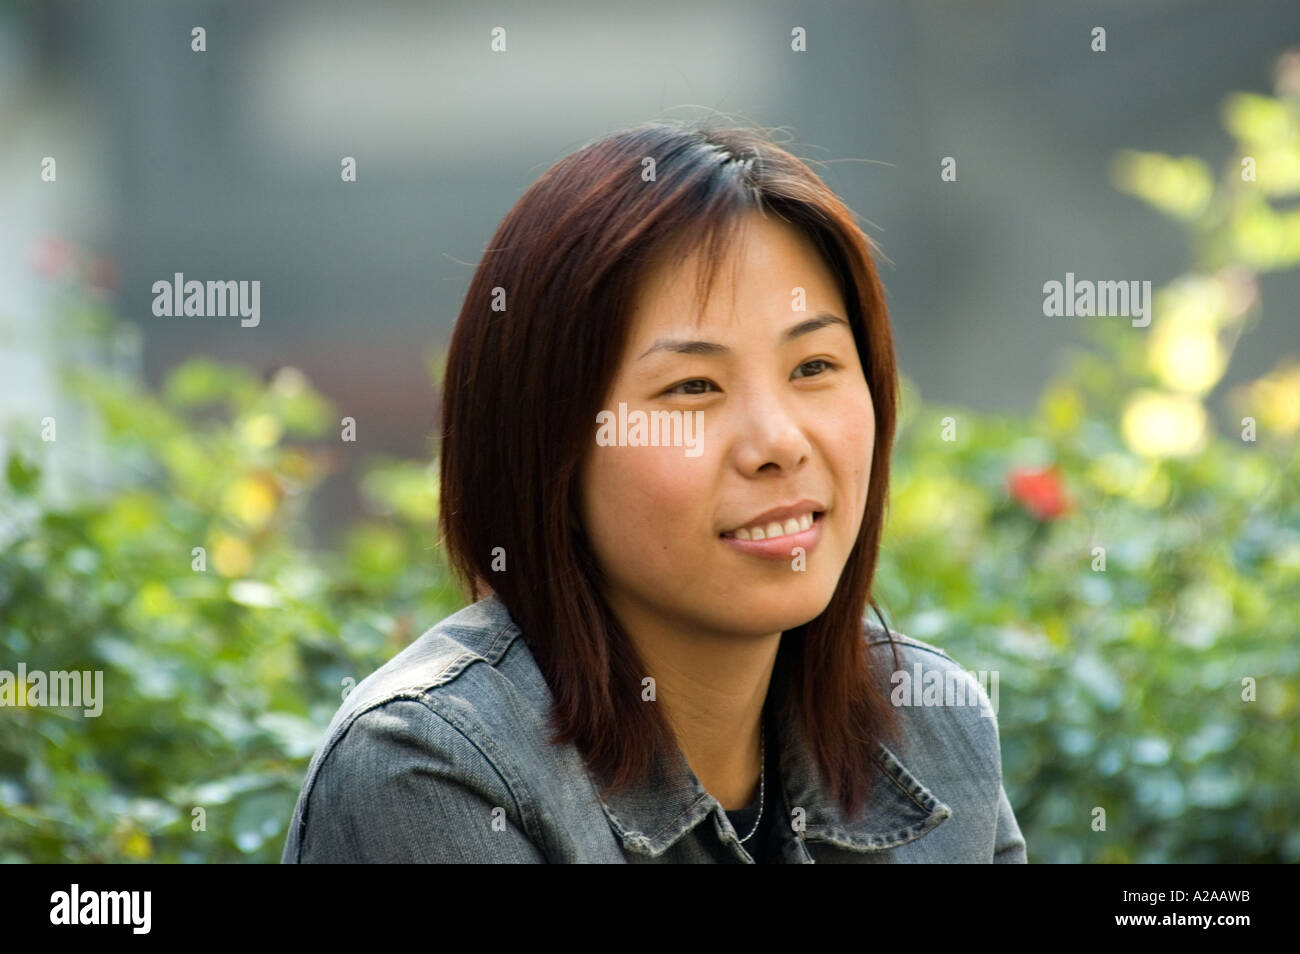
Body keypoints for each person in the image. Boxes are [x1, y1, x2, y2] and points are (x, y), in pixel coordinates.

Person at [282, 119, 1027, 863]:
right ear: (552, 450)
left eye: (813, 368)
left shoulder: (935, 724)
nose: (778, 444)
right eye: (693, 386)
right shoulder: (435, 767)